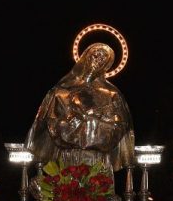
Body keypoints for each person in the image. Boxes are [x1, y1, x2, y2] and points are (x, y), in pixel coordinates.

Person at [25, 42, 135, 178]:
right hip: (68, 155)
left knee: (97, 189)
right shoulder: (61, 91)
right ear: (86, 57)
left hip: (98, 158)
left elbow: (120, 126)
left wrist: (91, 122)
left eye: (103, 59)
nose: (98, 60)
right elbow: (51, 122)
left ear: (107, 65)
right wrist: (74, 123)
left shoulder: (112, 94)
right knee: (66, 188)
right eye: (96, 55)